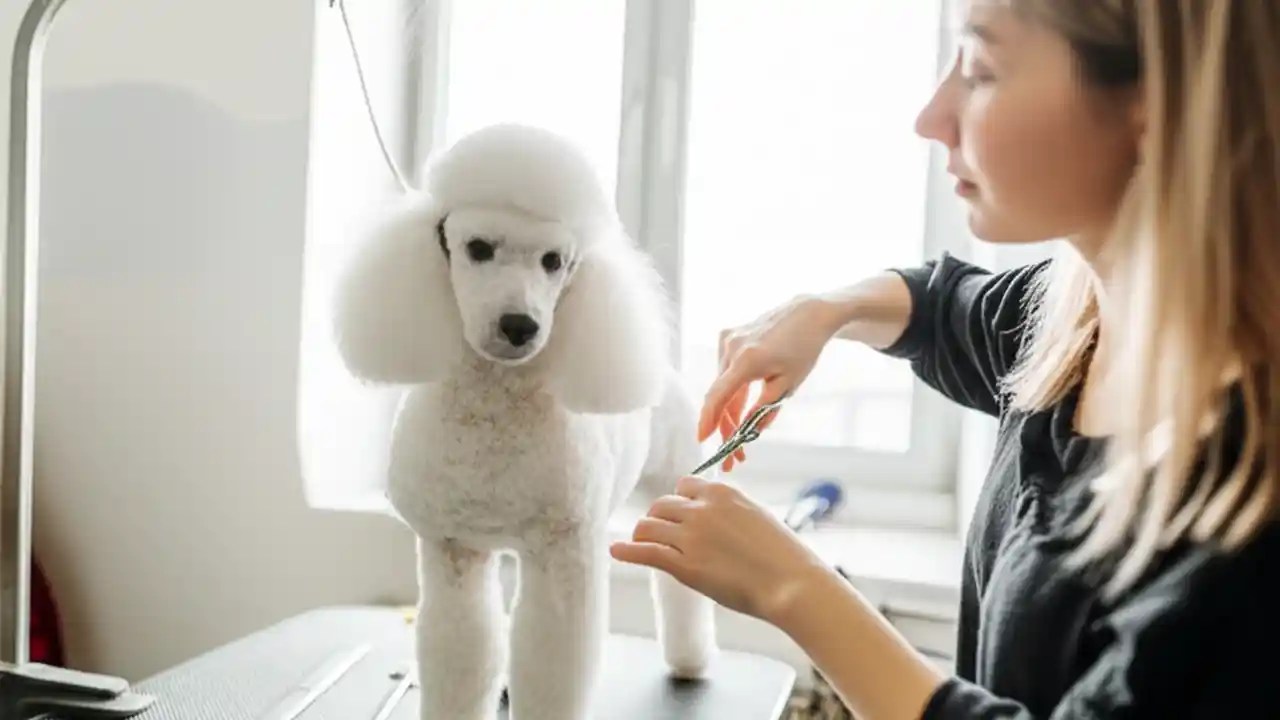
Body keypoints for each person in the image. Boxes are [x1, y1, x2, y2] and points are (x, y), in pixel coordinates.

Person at [610, 1, 1280, 718]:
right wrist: (828, 312)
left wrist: (795, 589)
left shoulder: (1247, 524)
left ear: (1157, 105)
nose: (930, 117)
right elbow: (942, 309)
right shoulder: (1079, 323)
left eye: (983, 69)